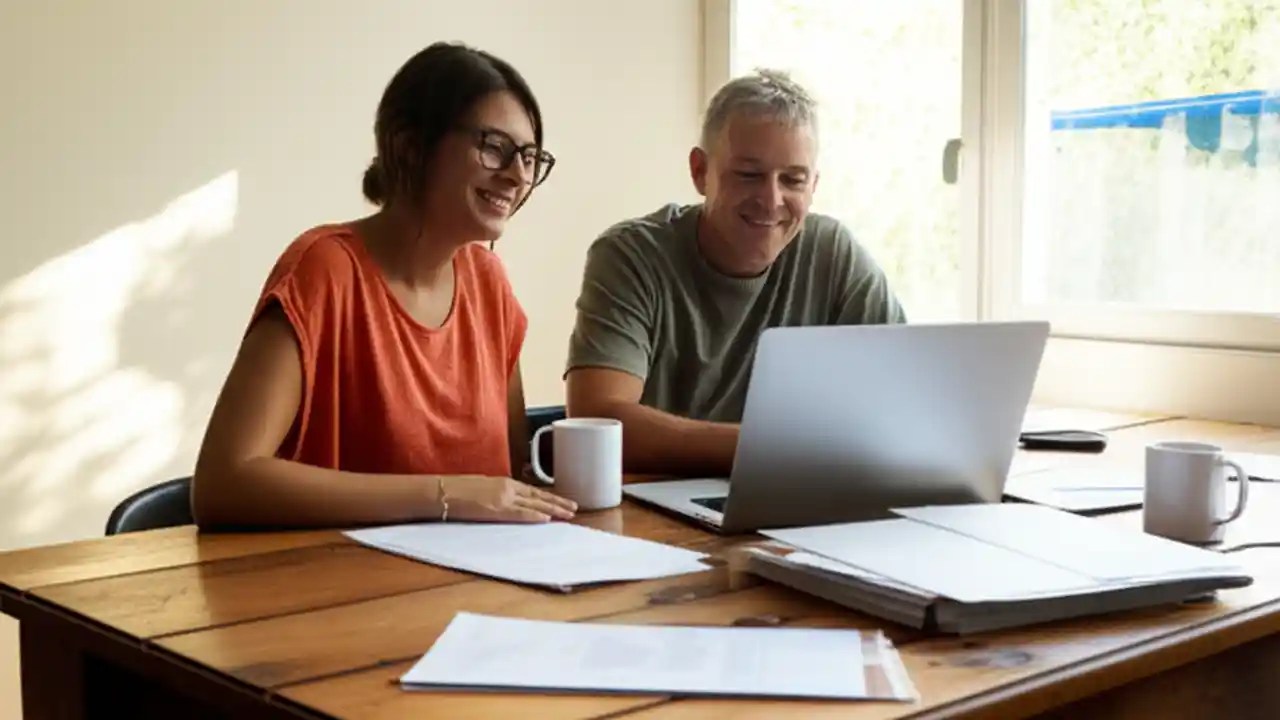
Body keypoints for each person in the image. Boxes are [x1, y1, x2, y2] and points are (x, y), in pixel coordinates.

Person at [192, 42, 576, 529]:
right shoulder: (324, 269)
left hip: (478, 570)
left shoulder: (490, 284)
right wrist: (444, 494)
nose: (518, 175)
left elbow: (509, 477)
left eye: (529, 157)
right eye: (494, 147)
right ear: (409, 146)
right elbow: (224, 483)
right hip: (341, 571)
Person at [565, 69, 906, 477]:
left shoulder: (834, 254)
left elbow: (907, 401)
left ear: (814, 185)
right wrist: (779, 448)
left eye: (793, 180)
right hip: (655, 503)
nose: (772, 200)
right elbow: (598, 421)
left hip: (796, 493)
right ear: (699, 172)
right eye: (749, 175)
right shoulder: (631, 256)